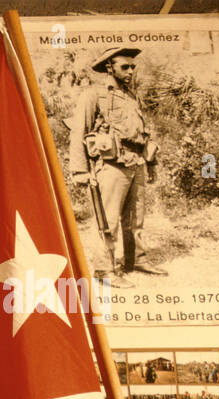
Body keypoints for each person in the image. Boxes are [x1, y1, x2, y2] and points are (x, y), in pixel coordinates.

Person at [68, 47, 166, 287]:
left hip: (136, 162)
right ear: (110, 67)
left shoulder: (132, 96)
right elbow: (78, 131)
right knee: (108, 220)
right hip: (111, 166)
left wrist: (151, 162)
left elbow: (142, 133)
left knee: (136, 218)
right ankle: (104, 270)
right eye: (125, 66)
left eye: (133, 66)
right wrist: (80, 170)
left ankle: (136, 259)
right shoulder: (94, 95)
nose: (131, 71)